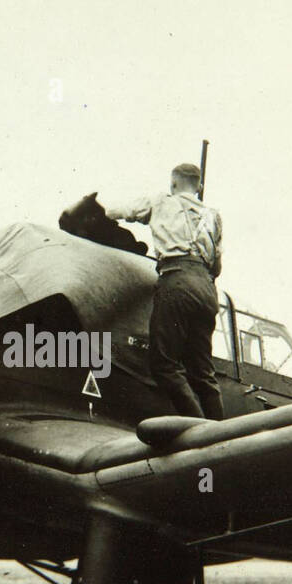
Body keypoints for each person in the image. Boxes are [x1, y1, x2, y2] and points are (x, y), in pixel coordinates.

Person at [103, 163, 225, 419]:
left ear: (173, 184)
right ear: (199, 187)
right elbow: (217, 266)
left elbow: (120, 211)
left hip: (176, 281)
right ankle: (221, 437)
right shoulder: (213, 215)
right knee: (203, 373)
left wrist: (99, 213)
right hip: (206, 290)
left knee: (164, 365)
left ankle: (199, 430)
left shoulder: (161, 202)